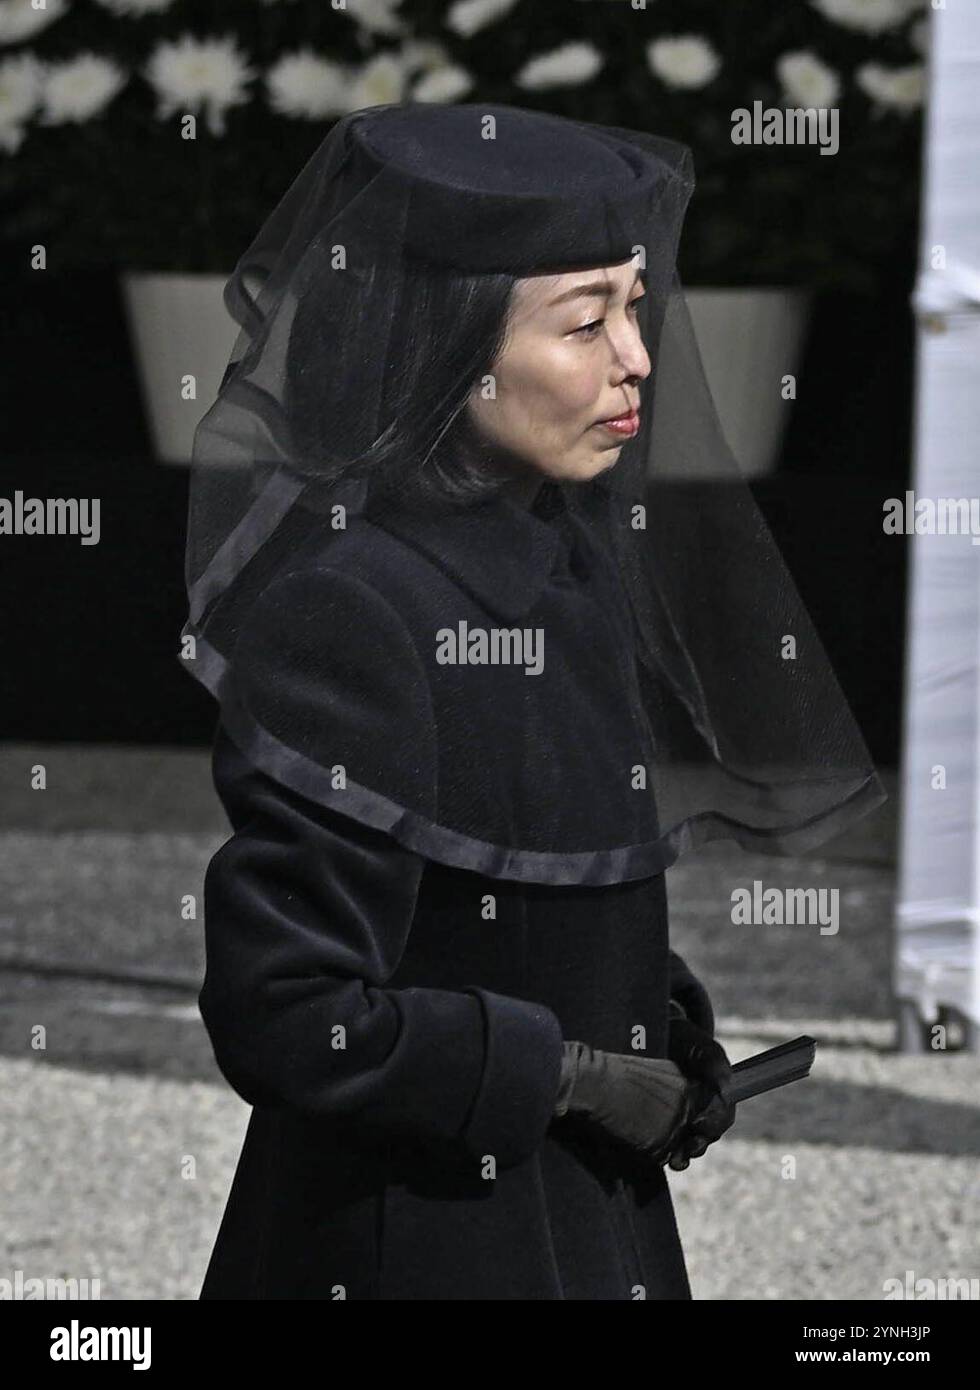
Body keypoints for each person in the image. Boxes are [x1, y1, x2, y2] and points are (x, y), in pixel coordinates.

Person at [180, 102, 886, 1300]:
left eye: (634, 304)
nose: (637, 358)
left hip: (588, 1230)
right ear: (453, 355)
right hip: (417, 1251)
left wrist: (659, 1030)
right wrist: (559, 1075)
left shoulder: (566, 563)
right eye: (585, 320)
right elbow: (288, 1014)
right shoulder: (349, 615)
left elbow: (530, 896)